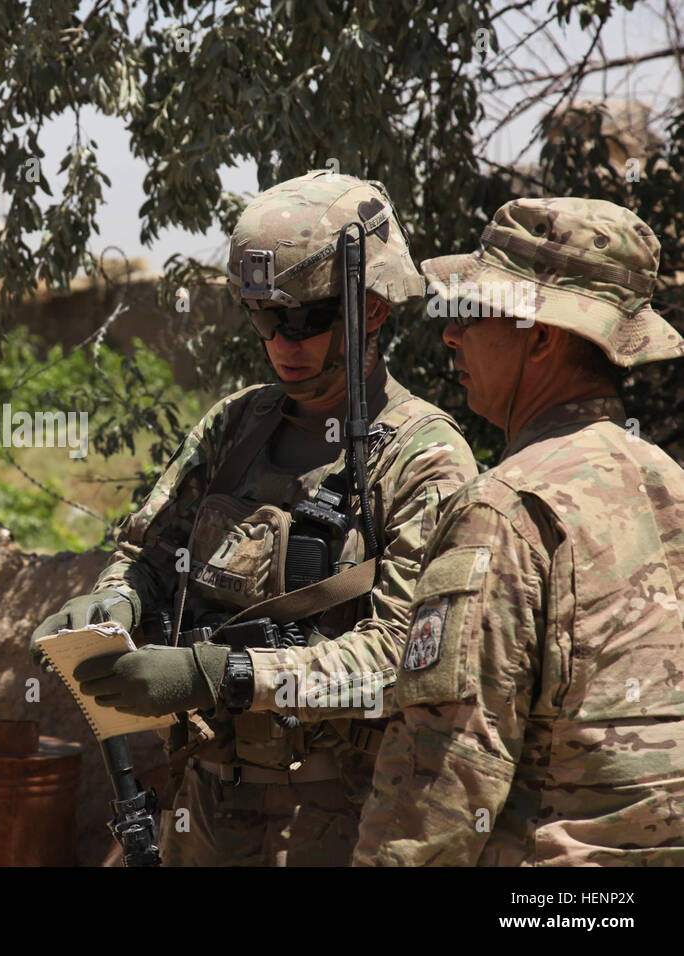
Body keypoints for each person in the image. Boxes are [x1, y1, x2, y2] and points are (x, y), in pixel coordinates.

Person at [31, 171, 477, 865]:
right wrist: (116, 599)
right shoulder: (237, 424)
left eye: (307, 319)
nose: (283, 342)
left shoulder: (425, 458)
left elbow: (405, 661)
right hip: (207, 803)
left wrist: (221, 674)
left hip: (334, 820)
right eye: (267, 318)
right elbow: (150, 553)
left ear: (375, 310)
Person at [354, 197, 684, 866]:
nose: (451, 334)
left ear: (541, 337)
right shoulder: (668, 482)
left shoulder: (504, 509)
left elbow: (438, 786)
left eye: (473, 312)